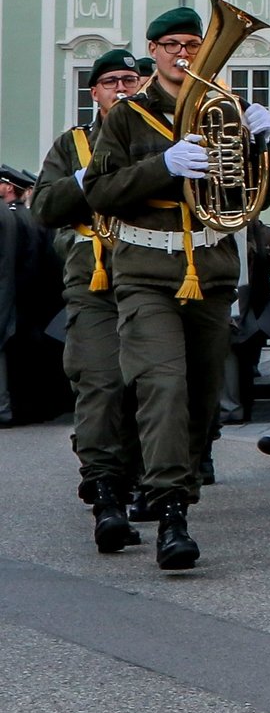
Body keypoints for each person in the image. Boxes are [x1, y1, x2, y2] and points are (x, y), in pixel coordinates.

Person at [84, 6, 270, 570]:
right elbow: (100, 191)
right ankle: (173, 514)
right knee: (162, 387)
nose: (183, 54)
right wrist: (164, 166)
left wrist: (258, 147)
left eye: (193, 44)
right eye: (171, 44)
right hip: (146, 269)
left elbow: (252, 202)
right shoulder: (128, 116)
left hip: (212, 271)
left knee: (199, 398)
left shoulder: (228, 110)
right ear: (153, 52)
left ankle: (173, 481)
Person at [29, 47, 146, 552]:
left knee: (149, 387)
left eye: (130, 80)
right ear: (93, 91)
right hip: (95, 281)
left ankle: (141, 478)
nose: (121, 88)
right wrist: (85, 178)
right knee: (99, 379)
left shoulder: (156, 138)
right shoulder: (72, 145)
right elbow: (45, 207)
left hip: (153, 276)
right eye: (110, 81)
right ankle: (105, 491)